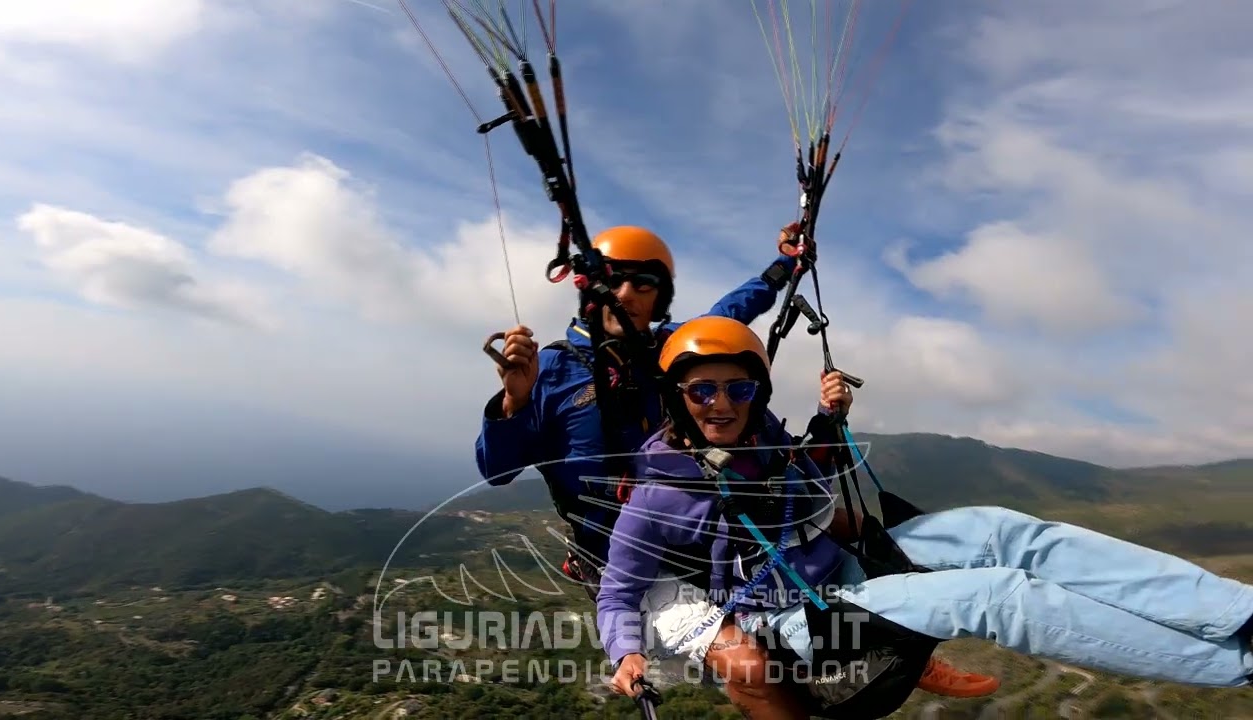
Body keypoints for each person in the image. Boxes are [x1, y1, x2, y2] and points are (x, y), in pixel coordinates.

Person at [597, 315, 1253, 719]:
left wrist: (830, 420)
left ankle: (1235, 611)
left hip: (848, 567)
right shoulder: (659, 492)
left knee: (1006, 531)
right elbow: (619, 588)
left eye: (737, 388)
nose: (721, 403)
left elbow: (808, 480)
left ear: (757, 392)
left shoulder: (759, 437)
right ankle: (1235, 665)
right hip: (802, 627)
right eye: (702, 390)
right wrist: (626, 652)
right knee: (996, 595)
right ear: (678, 399)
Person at [475, 227, 999, 711]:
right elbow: (496, 471)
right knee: (747, 663)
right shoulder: (548, 374)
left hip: (705, 521)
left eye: (645, 283)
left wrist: (783, 266)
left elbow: (733, 312)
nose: (628, 294)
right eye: (614, 282)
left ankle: (904, 651)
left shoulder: (669, 349)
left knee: (852, 529)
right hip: (635, 551)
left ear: (660, 294)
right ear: (588, 290)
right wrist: (513, 406)